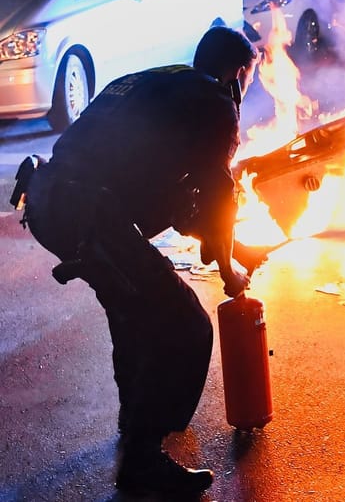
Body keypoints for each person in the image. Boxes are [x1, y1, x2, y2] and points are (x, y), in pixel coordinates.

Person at [14, 26, 265, 496]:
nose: (244, 91)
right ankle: (143, 458)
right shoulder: (216, 104)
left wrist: (233, 248)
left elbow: (175, 202)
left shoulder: (158, 84)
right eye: (247, 79)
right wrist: (229, 270)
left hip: (51, 201)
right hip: (89, 212)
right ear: (236, 73)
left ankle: (139, 424)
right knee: (185, 323)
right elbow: (217, 198)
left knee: (132, 311)